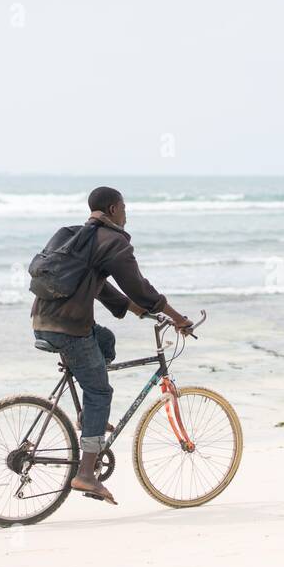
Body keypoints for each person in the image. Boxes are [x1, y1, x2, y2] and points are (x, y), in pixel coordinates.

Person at [31, 186, 193, 504]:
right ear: (114, 208)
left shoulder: (74, 237)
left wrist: (139, 312)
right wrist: (177, 317)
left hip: (42, 321)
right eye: (125, 208)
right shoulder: (113, 241)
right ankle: (86, 475)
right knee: (100, 392)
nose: (126, 214)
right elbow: (140, 288)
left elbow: (102, 289)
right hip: (70, 328)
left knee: (105, 339)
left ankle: (87, 418)